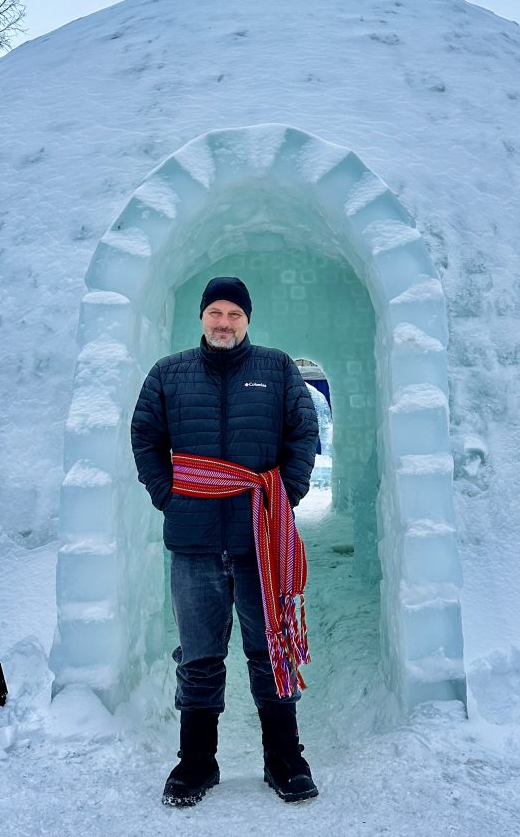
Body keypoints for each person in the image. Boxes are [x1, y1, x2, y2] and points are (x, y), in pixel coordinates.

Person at [131, 276, 320, 807]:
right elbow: (145, 435)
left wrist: (289, 493)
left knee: (268, 651)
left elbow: (303, 433)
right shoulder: (169, 374)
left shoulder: (277, 369)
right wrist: (169, 495)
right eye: (215, 312)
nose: (224, 323)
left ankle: (284, 759)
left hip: (260, 537)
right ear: (201, 317)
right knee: (199, 656)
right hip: (193, 541)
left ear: (247, 320)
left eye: (234, 314)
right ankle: (196, 765)